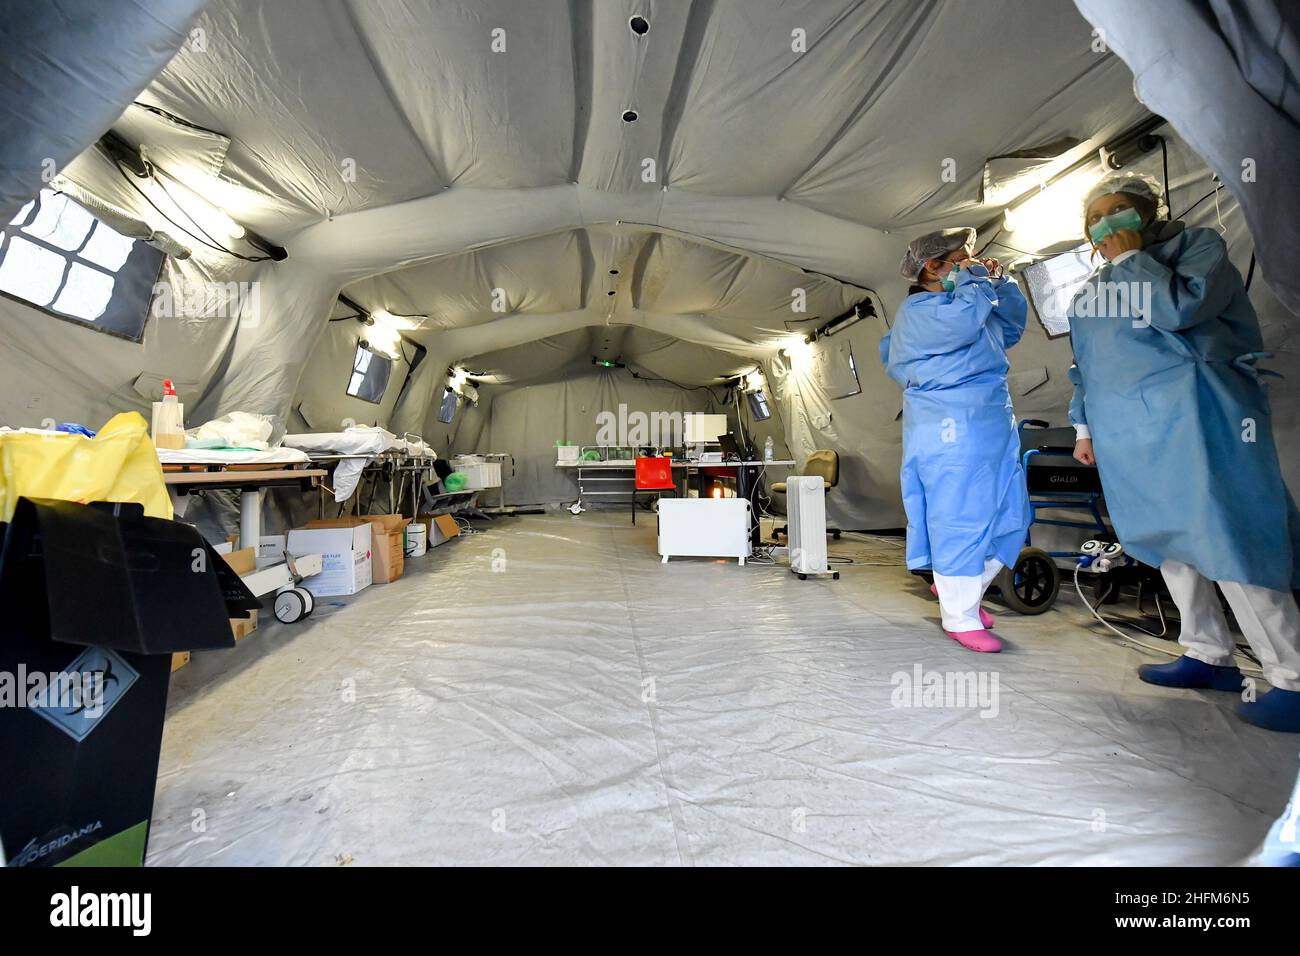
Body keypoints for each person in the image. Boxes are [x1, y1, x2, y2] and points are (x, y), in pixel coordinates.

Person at [1068, 171, 1300, 732]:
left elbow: (1178, 311)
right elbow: (1085, 364)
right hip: (1128, 428)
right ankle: (1207, 653)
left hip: (1200, 411)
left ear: (1150, 211)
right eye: (1094, 218)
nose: (1105, 224)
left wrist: (1129, 262)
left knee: (1228, 536)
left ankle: (1293, 677)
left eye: (1117, 210)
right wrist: (1083, 426)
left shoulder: (1198, 249)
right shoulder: (1088, 294)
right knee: (1167, 538)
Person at [881, 228, 1031, 652]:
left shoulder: (973, 297)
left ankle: (962, 590)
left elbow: (1011, 329)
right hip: (949, 425)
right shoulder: (920, 311)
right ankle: (959, 614)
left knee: (1010, 510)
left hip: (991, 420)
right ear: (934, 265)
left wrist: (1001, 284)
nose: (973, 263)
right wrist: (977, 283)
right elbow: (961, 325)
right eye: (964, 258)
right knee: (960, 513)